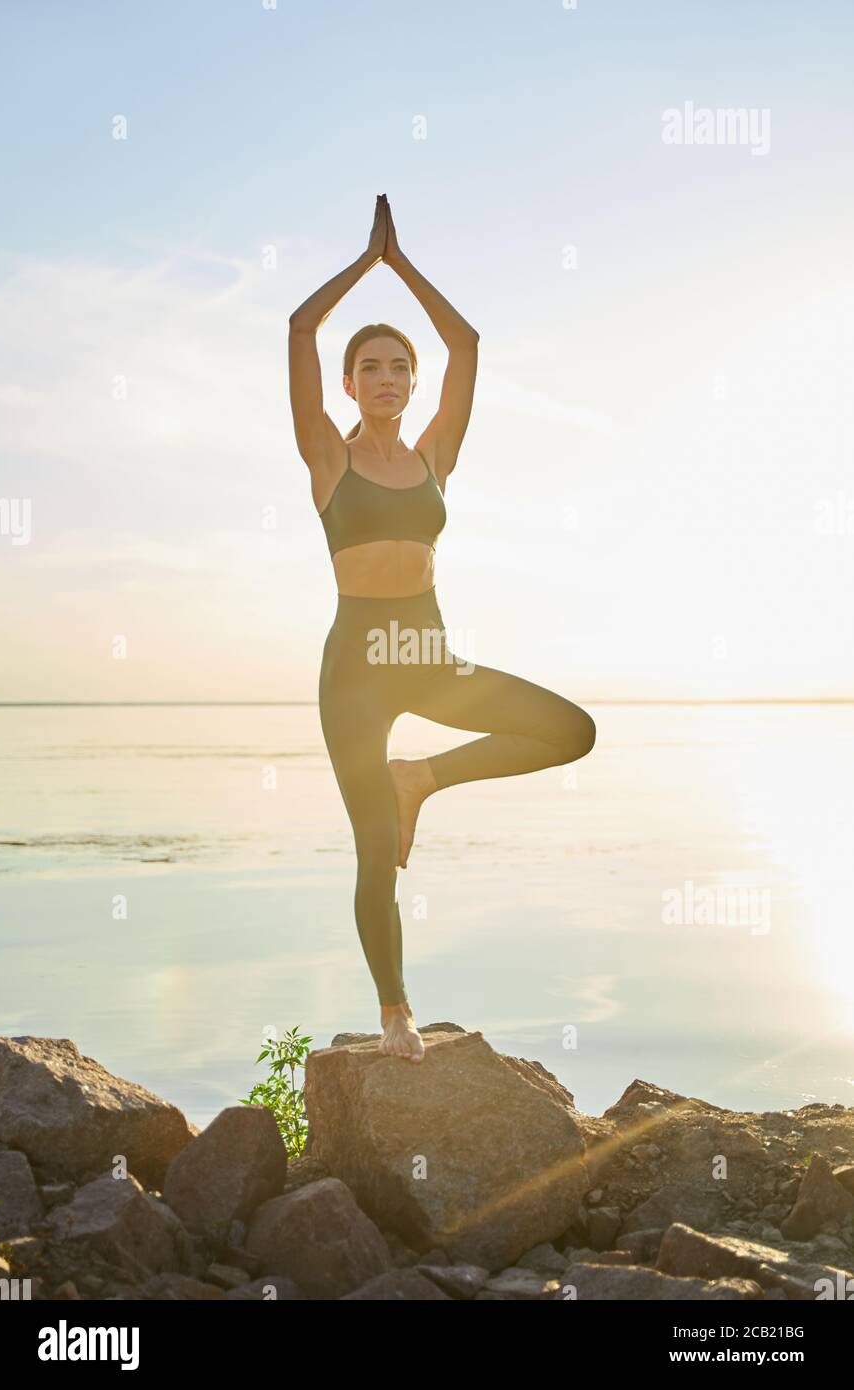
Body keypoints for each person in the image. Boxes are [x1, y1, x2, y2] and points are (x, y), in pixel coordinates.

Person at [288, 194, 596, 1063]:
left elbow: (465, 345)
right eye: (371, 367)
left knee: (570, 730)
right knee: (374, 855)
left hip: (426, 656)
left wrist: (404, 265)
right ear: (350, 384)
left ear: (411, 384)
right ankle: (396, 1015)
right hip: (354, 668)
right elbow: (298, 330)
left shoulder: (433, 458)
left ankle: (420, 775)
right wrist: (364, 263)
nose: (386, 377)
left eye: (398, 368)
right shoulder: (326, 456)